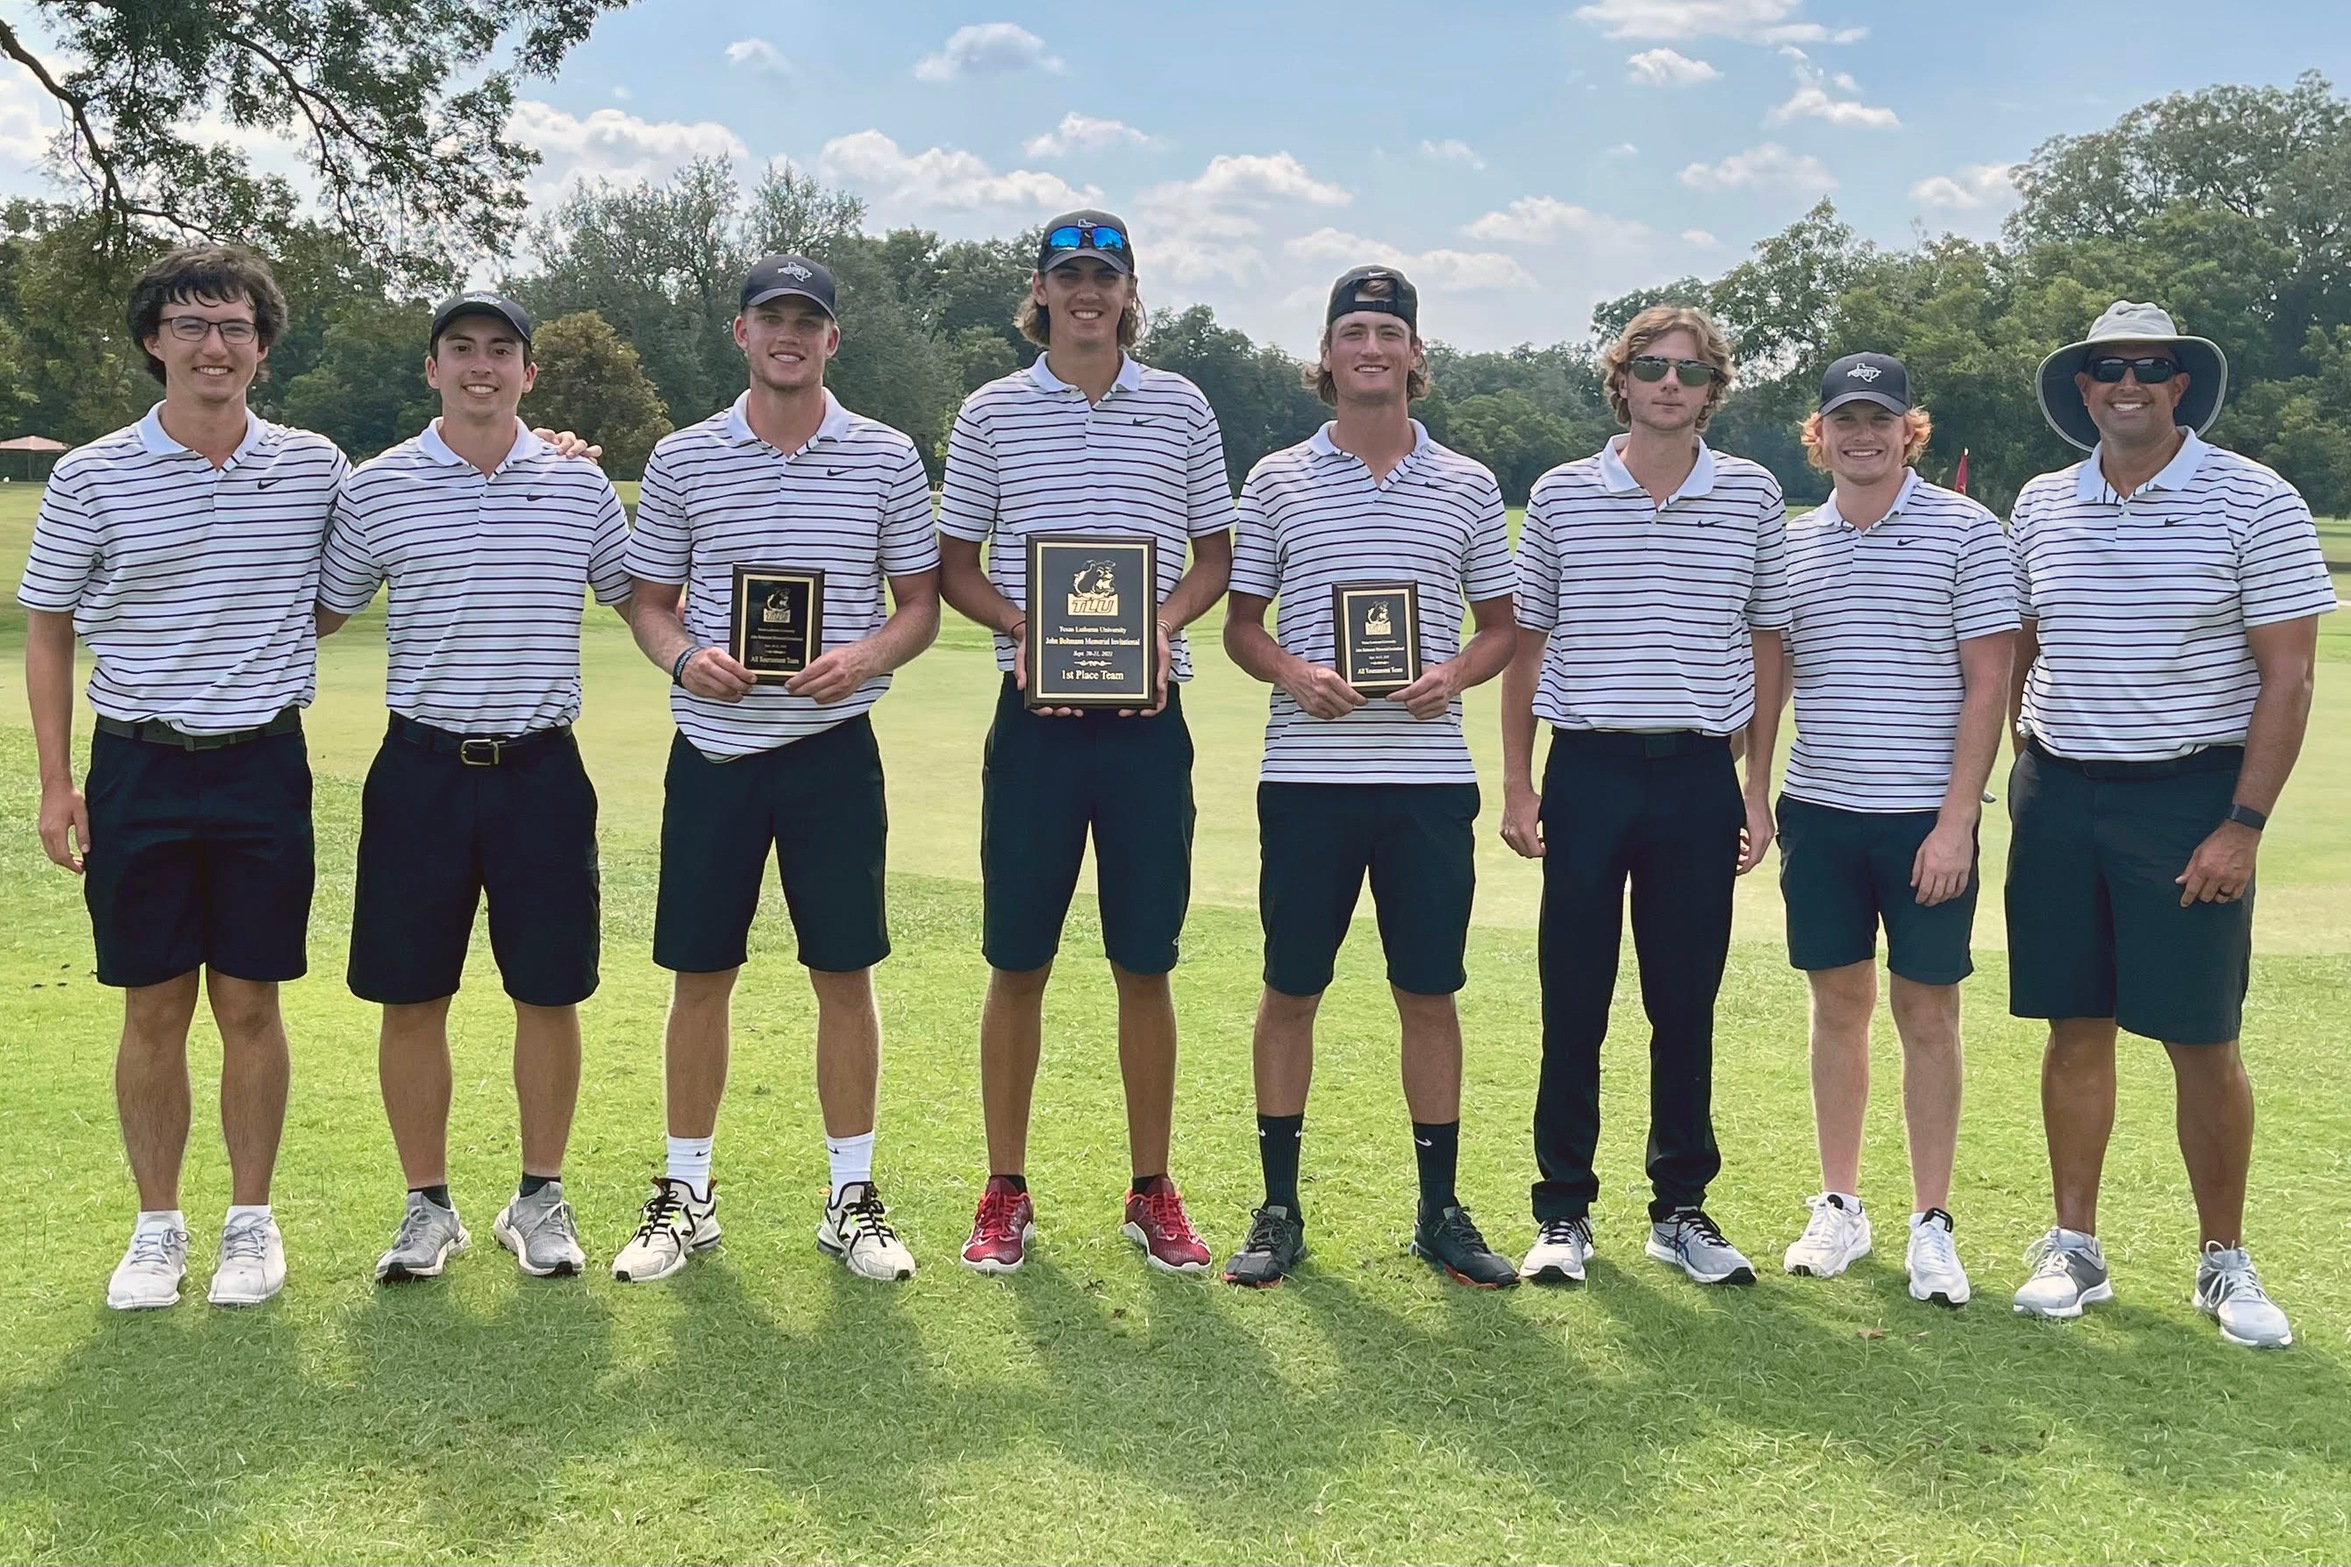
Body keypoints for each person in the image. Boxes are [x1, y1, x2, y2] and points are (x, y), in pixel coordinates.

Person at [18, 245, 344, 1309]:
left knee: (251, 999)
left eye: (236, 327)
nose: (216, 345)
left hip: (261, 763)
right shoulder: (92, 473)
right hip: (138, 766)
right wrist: (56, 778)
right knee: (153, 1003)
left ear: (261, 346)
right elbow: (50, 622)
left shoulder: (312, 465)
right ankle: (157, 1227)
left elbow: (397, 514)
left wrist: (552, 442)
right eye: (193, 324)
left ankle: (251, 1223)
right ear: (155, 339)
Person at [2006, 301, 2334, 1348]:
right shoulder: (2041, 503)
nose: (2126, 384)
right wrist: (2015, 767)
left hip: (2189, 796)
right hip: (2057, 790)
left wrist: (2241, 823)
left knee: (2201, 1037)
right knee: (2074, 1023)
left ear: (2180, 383)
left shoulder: (2253, 498)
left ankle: (2220, 1258)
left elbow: (2286, 678)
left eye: (2148, 366)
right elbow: (2015, 648)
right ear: (2083, 387)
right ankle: (2074, 1245)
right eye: (2106, 369)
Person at [608, 256, 940, 1284]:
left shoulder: (885, 456)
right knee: (698, 974)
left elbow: (919, 604)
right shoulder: (682, 458)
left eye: (808, 321)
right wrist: (681, 655)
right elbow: (649, 599)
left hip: (833, 748)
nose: (788, 335)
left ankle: (850, 1199)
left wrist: (866, 656)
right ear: (740, 334)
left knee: (844, 973)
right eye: (770, 319)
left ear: (831, 340)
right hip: (712, 749)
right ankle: (686, 1197)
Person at [937, 209, 1234, 1274]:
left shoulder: (1181, 406)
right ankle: (1003, 1188)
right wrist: (1028, 633)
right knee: (1017, 960)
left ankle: (1151, 1187)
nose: (1086, 294)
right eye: (1068, 276)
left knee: (1142, 961)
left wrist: (1155, 630)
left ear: (1126, 291)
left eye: (1103, 277)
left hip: (1149, 722)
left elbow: (1212, 558)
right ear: (1040, 289)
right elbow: (955, 565)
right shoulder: (990, 411)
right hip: (1036, 722)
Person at [316, 293, 632, 1283]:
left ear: (529, 374)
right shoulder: (379, 488)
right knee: (411, 995)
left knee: (548, 990)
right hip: (418, 770)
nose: (482, 366)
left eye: (502, 351)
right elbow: (321, 611)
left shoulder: (581, 489)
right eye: (462, 349)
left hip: (541, 769)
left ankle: (539, 1197)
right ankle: (427, 1208)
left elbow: (644, 600)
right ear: (432, 368)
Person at [1218, 267, 1519, 1288]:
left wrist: (1451, 676)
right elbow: (1242, 628)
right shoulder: (1274, 478)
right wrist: (1296, 673)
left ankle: (1437, 1211)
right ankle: (1276, 1207)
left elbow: (1501, 629)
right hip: (1305, 776)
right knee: (1289, 989)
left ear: (1412, 355)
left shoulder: (1469, 483)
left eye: (1388, 332)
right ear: (1328, 354)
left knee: (1427, 991)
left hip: (1427, 780)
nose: (1370, 349)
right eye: (1352, 331)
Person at [1500, 304, 1788, 1287]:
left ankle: (1678, 1208)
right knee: (1572, 998)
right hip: (1584, 770)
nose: (1670, 383)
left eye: (1690, 370)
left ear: (1713, 389)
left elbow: (1765, 641)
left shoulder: (1749, 495)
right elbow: (1525, 642)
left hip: (1698, 775)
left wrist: (1756, 790)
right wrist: (1515, 781)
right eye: (1651, 367)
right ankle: (1560, 1210)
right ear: (1619, 382)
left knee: (1683, 1001)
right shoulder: (1560, 494)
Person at [1771, 353, 2016, 1305]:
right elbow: (1772, 678)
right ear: (1820, 433)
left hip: (1926, 818)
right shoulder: (1791, 543)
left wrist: (1956, 821)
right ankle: (1839, 1203)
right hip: (1821, 812)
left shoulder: (1966, 533)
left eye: (1880, 418)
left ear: (1908, 429)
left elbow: (1987, 682)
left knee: (1926, 1011)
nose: (1861, 435)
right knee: (1837, 1007)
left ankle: (1930, 1220)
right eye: (1845, 420)